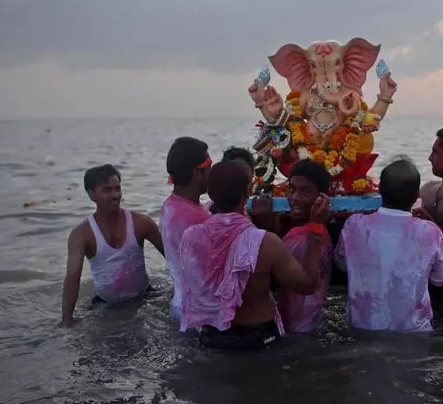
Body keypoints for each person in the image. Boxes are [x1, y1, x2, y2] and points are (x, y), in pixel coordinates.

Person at [179, 160, 330, 350]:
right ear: (248, 191)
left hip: (212, 335)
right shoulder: (266, 242)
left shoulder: (190, 237)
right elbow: (307, 285)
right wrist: (316, 228)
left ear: (209, 193)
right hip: (258, 338)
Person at [335, 157, 443, 333]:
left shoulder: (354, 225)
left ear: (379, 191)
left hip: (362, 328)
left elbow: (341, 263)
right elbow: (442, 277)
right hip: (413, 333)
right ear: (416, 197)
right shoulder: (429, 231)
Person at [61, 165, 164, 327]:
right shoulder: (81, 234)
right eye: (107, 190)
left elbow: (172, 257)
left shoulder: (141, 223)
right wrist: (67, 319)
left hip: (144, 297)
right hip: (106, 305)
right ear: (91, 194)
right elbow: (73, 277)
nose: (115, 195)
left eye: (118, 189)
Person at [273, 159, 333, 333]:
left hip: (291, 328)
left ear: (320, 197)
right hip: (312, 322)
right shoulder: (323, 231)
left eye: (305, 191)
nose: (295, 198)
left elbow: (265, 273)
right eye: (291, 189)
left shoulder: (299, 235)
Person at [160, 137, 212, 320]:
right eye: (209, 166)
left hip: (180, 304)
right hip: (201, 314)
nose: (211, 172)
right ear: (197, 173)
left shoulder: (169, 205)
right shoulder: (198, 218)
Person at [208, 147, 256, 215]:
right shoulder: (207, 213)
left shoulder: (254, 209)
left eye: (245, 179)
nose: (238, 183)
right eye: (233, 177)